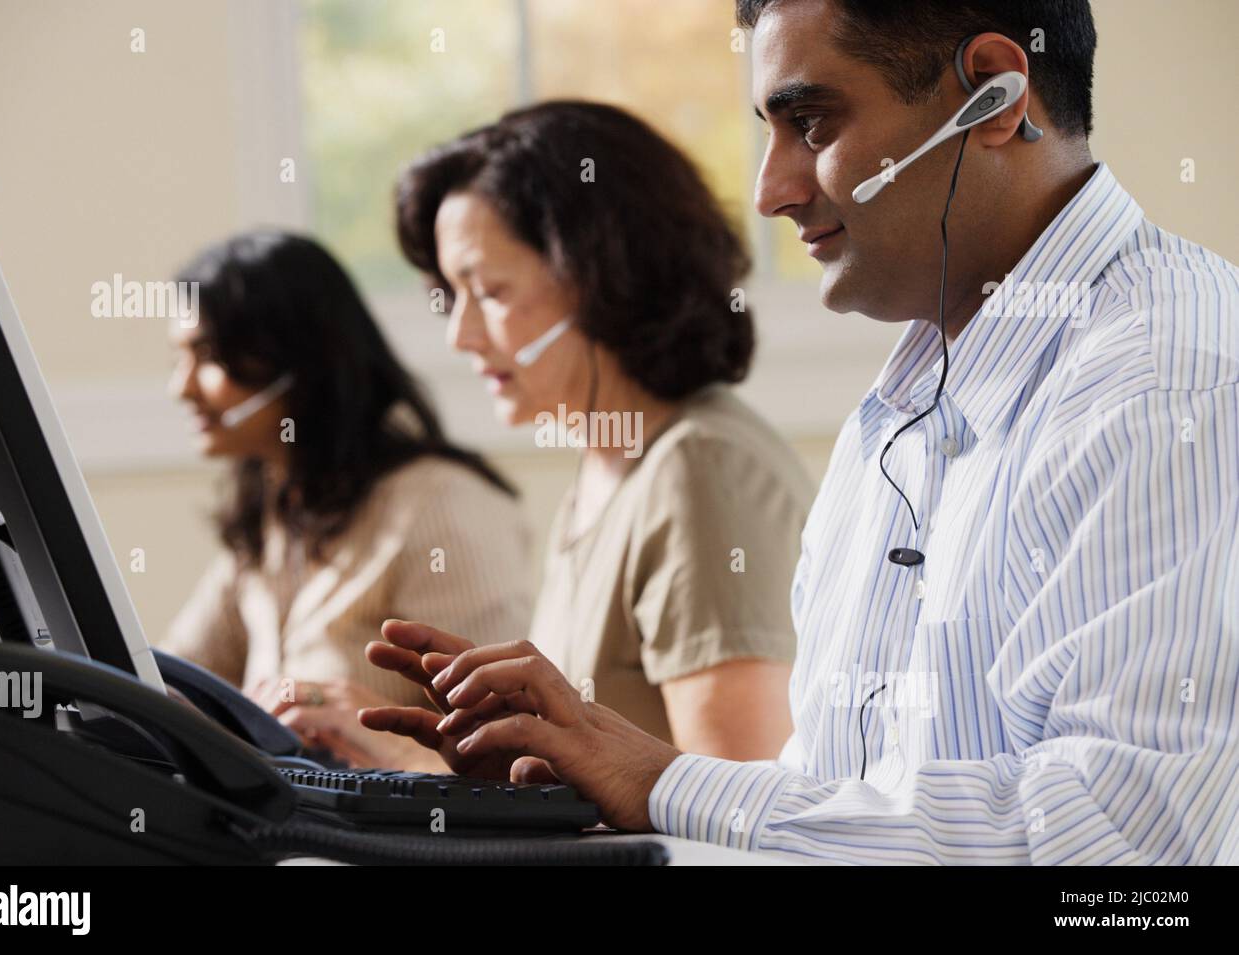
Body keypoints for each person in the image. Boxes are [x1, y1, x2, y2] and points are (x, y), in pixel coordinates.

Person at [356, 0, 1239, 863]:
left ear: (997, 100)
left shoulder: (1170, 380)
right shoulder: (893, 415)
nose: (770, 191)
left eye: (811, 124)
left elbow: (1135, 848)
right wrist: (572, 804)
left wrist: (664, 780)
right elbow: (828, 799)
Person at [288, 102, 811, 761]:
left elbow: (737, 807)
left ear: (603, 279)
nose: (462, 334)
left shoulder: (701, 471)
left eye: (492, 292)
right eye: (454, 294)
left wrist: (407, 761)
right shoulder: (608, 471)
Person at [159, 231, 531, 770]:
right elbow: (176, 677)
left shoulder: (441, 505)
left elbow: (502, 757)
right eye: (179, 357)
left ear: (298, 359)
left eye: (209, 355)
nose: (181, 387)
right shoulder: (276, 513)